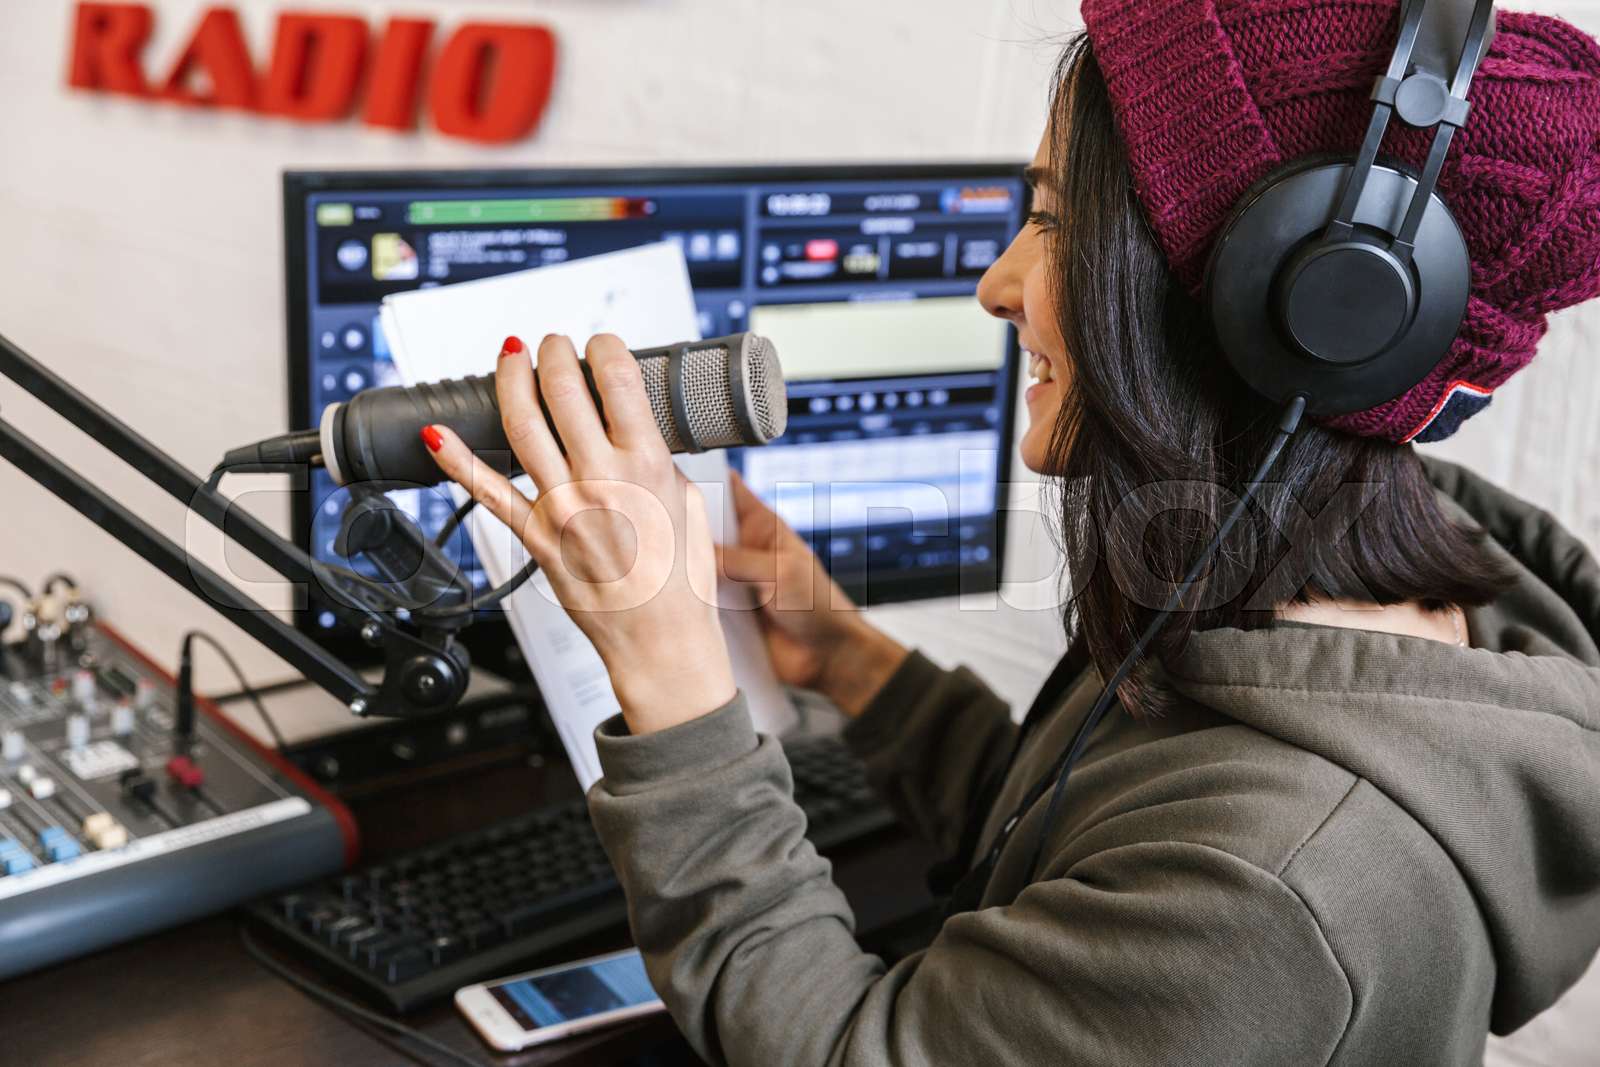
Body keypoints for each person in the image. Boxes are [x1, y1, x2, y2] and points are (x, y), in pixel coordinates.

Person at [420, 3, 1600, 1063]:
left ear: (1295, 304)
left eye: (1051, 223)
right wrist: (848, 660)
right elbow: (1086, 863)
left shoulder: (1274, 887)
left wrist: (673, 683)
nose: (996, 285)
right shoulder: (1285, 586)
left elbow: (848, 1047)